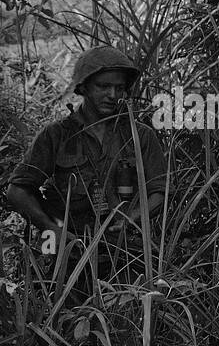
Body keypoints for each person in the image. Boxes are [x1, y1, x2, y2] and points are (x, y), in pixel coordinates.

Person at [6, 46, 166, 252]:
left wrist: (131, 219)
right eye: (103, 86)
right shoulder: (56, 135)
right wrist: (51, 228)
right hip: (70, 246)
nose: (112, 95)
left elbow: (160, 190)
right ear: (84, 88)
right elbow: (17, 190)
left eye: (119, 88)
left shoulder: (140, 135)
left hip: (125, 248)